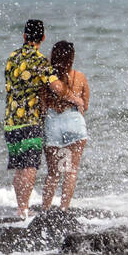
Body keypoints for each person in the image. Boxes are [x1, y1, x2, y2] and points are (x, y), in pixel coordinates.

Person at [3, 20, 82, 218]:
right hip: (30, 120)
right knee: (29, 167)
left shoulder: (12, 57)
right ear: (43, 38)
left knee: (19, 166)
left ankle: (21, 207)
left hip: (11, 120)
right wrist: (75, 99)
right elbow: (57, 87)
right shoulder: (40, 62)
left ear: (24, 36)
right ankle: (24, 210)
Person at [40, 40, 89, 211]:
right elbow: (85, 105)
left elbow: (42, 105)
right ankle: (63, 209)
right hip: (74, 123)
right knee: (71, 171)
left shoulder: (47, 78)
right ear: (72, 58)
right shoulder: (80, 77)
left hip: (53, 123)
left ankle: (45, 210)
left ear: (53, 56)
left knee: (53, 174)